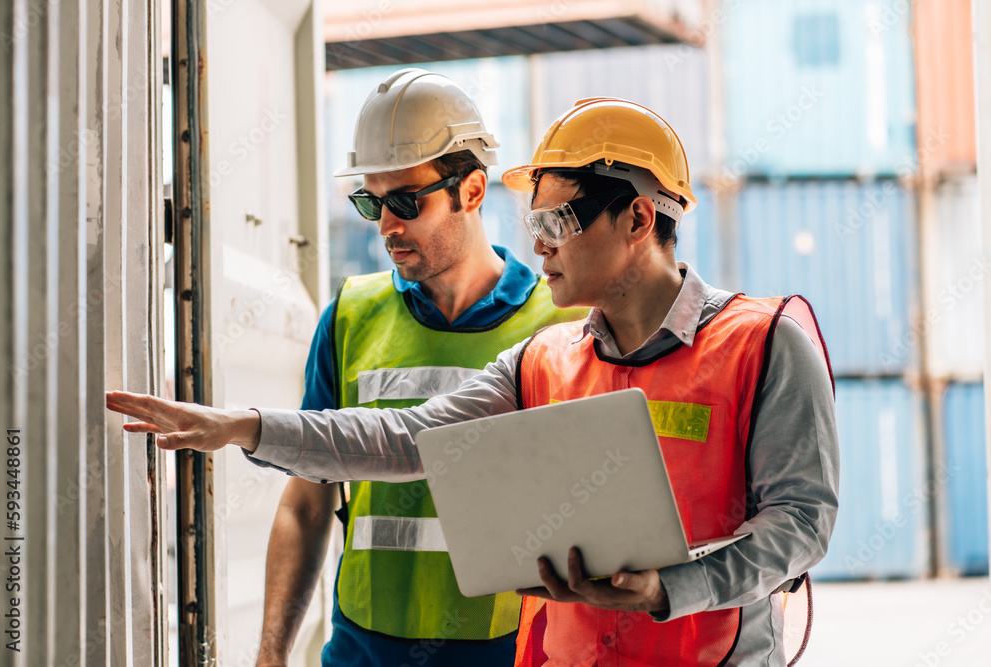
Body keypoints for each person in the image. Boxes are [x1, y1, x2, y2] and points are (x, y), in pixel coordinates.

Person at [108, 97, 839, 666]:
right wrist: (246, 427)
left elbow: (801, 524)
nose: (538, 242)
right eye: (532, 219)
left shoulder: (765, 344)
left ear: (638, 216)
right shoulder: (542, 361)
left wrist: (668, 588)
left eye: (556, 217)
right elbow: (407, 438)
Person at [251, 69, 583, 667]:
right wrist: (271, 655)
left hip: (508, 652)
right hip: (361, 649)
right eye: (370, 202)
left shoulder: (562, 326)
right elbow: (306, 505)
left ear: (473, 191)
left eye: (406, 201)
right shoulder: (351, 317)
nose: (386, 226)